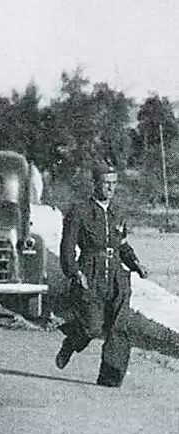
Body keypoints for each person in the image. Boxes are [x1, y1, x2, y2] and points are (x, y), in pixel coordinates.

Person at [55, 161, 149, 386]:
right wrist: (75, 273)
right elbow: (67, 247)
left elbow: (122, 245)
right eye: (106, 183)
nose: (111, 188)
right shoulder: (80, 211)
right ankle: (71, 342)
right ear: (95, 184)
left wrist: (136, 264)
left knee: (119, 326)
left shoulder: (118, 213)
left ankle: (110, 377)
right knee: (92, 327)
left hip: (116, 275)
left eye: (114, 184)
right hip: (90, 272)